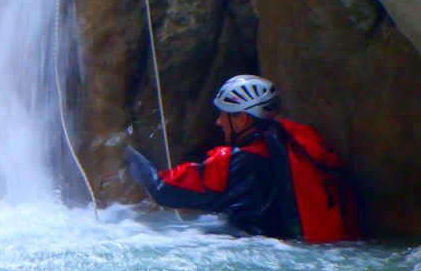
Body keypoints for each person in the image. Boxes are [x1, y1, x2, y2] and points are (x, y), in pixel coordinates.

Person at [123, 75, 363, 242]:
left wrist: (129, 156)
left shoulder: (235, 162)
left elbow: (163, 189)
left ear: (242, 120)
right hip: (297, 249)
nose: (218, 122)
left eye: (223, 115)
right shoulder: (291, 146)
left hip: (258, 252)